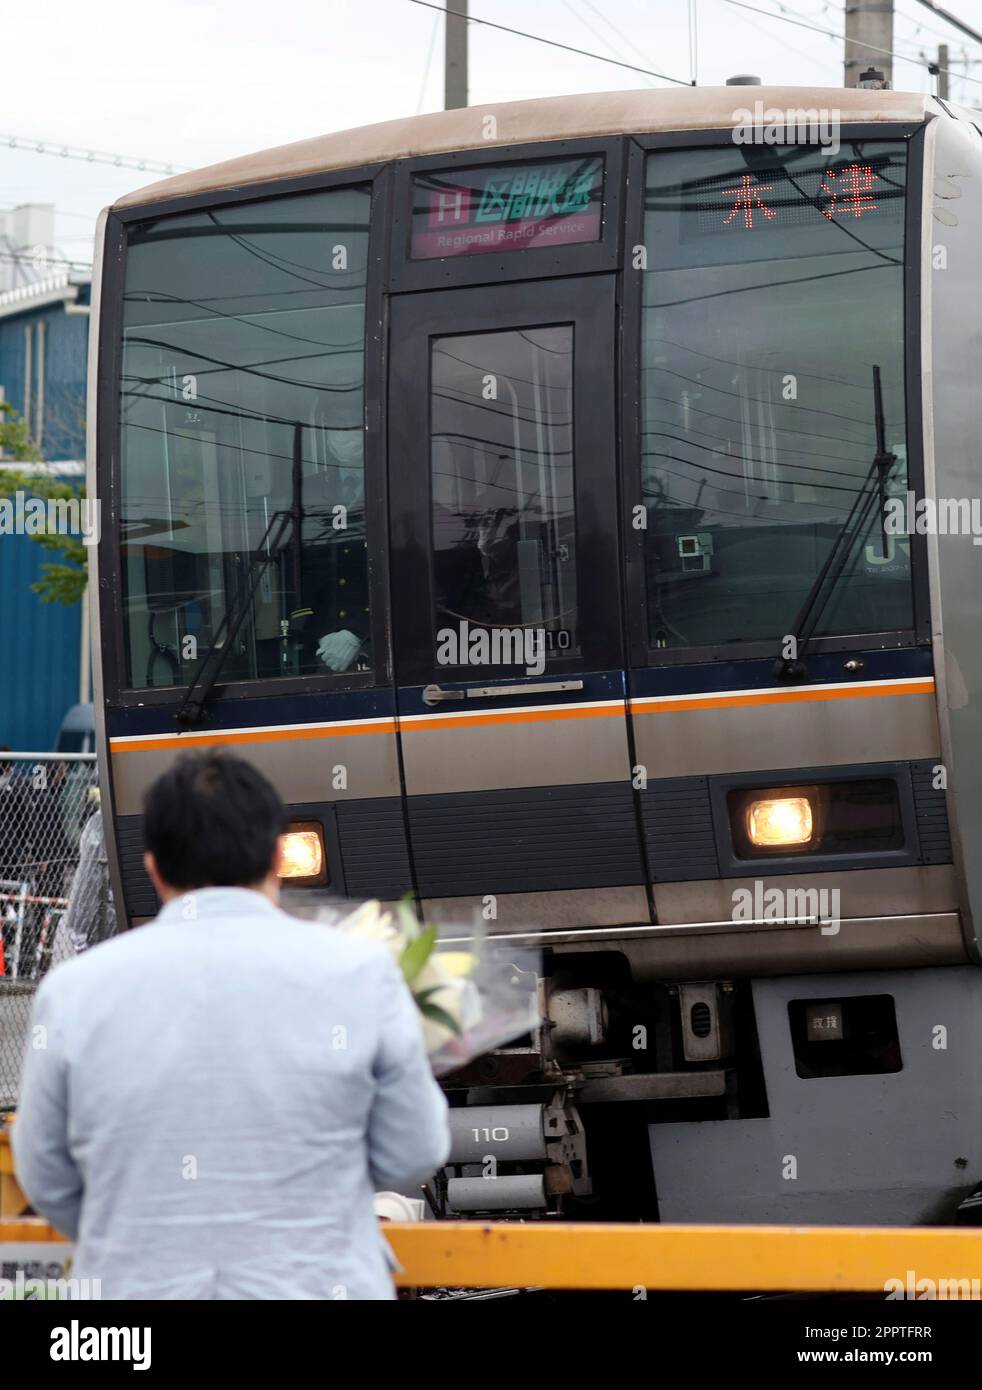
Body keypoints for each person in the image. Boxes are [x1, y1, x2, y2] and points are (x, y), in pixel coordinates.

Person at [13, 752, 450, 1300]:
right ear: (276, 857)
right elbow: (413, 1148)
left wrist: (136, 1241)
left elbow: (45, 1169)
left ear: (153, 868)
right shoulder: (360, 972)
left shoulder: (74, 992)